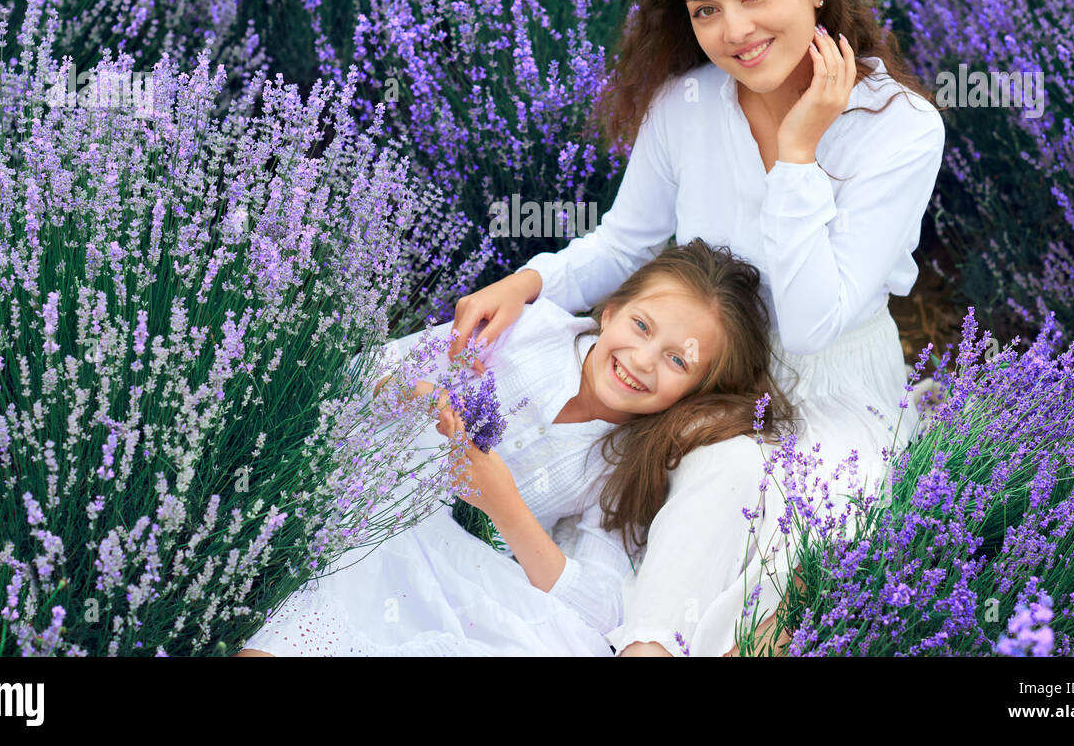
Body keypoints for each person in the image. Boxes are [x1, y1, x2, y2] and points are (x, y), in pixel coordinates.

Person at [445, 0, 946, 656]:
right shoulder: (686, 105)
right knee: (526, 379)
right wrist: (527, 281)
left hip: (833, 393)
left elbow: (814, 322)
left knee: (735, 486)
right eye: (705, 9)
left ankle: (649, 647)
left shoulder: (899, 126)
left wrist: (799, 153)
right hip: (690, 366)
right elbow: (624, 245)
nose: (733, 29)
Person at [234, 239, 793, 656]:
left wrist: (506, 508)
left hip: (452, 556)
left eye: (678, 360)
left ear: (694, 393)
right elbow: (364, 376)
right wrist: (412, 393)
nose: (643, 360)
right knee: (328, 598)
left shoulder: (626, 462)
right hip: (366, 500)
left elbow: (604, 607)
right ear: (610, 312)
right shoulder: (527, 330)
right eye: (642, 326)